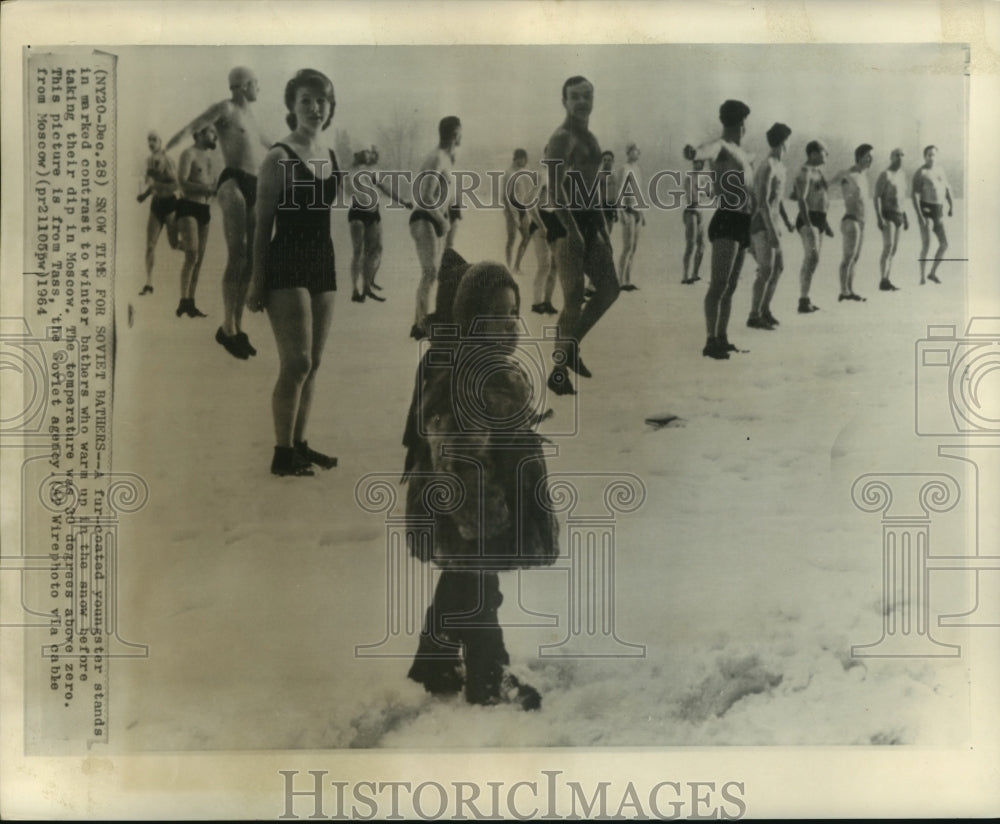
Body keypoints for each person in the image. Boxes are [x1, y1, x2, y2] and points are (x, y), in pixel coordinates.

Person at [402, 258, 558, 710]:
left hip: (476, 512)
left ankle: (432, 662)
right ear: (472, 322)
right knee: (479, 595)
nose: (510, 325)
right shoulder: (471, 379)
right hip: (471, 512)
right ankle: (488, 679)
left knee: (466, 584)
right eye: (496, 316)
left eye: (514, 313)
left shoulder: (485, 370)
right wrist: (483, 518)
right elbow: (457, 457)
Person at [246, 69, 340, 477]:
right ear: (292, 105)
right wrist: (255, 281)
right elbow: (261, 224)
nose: (315, 108)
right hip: (285, 261)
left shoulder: (330, 153)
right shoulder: (278, 157)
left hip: (323, 261)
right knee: (297, 363)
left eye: (321, 101)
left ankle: (299, 444)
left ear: (330, 106)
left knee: (314, 362)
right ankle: (282, 453)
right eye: (306, 100)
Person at [167, 66, 271, 359]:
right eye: (256, 83)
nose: (259, 89)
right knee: (237, 254)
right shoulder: (226, 107)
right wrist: (167, 149)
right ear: (242, 85)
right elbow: (192, 126)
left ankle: (235, 328)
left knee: (250, 258)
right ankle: (227, 326)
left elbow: (270, 143)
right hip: (233, 181)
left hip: (254, 183)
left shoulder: (251, 117)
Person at [539, 76, 619, 395]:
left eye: (587, 95)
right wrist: (572, 231)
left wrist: (601, 230)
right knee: (572, 298)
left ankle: (570, 345)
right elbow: (556, 190)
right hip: (564, 221)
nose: (582, 102)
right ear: (564, 101)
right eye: (575, 97)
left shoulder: (592, 139)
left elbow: (594, 189)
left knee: (610, 288)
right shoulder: (561, 138)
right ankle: (558, 372)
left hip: (587, 219)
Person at [684, 99, 755, 360]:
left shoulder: (741, 152)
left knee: (731, 285)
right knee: (719, 285)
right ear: (741, 123)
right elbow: (705, 150)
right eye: (746, 121)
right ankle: (710, 340)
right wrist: (693, 151)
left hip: (743, 220)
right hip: (727, 218)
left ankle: (722, 337)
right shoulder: (722, 146)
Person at [409, 116, 462, 340]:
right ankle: (420, 325)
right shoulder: (436, 158)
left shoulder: (448, 158)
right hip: (424, 218)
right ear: (456, 133)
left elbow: (446, 195)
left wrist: (452, 214)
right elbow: (425, 196)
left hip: (437, 220)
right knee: (429, 272)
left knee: (435, 273)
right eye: (461, 132)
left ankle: (423, 321)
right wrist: (441, 220)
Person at [345, 146, 413, 304]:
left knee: (371, 251)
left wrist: (402, 201)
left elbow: (386, 188)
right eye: (365, 153)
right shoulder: (353, 170)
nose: (368, 155)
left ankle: (365, 287)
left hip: (371, 213)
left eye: (368, 153)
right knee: (359, 252)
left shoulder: (366, 171)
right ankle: (357, 289)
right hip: (359, 213)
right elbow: (349, 188)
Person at [747, 123, 795, 330]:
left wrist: (785, 220)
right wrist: (772, 232)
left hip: (773, 224)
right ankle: (754, 315)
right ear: (782, 143)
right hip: (761, 224)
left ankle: (765, 310)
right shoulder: (767, 166)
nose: (789, 146)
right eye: (788, 142)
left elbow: (778, 200)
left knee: (778, 268)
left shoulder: (780, 167)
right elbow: (763, 202)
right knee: (766, 269)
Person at [173, 126, 219, 319]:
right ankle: (183, 301)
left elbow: (214, 185)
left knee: (198, 258)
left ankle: (190, 302)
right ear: (198, 134)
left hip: (204, 209)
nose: (214, 135)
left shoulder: (211, 158)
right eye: (210, 132)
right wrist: (207, 188)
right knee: (192, 252)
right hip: (188, 207)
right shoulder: (188, 153)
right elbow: (182, 182)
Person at [792, 140, 834, 313]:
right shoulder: (805, 172)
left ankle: (805, 298)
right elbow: (801, 199)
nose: (827, 155)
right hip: (809, 219)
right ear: (814, 153)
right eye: (825, 151)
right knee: (812, 257)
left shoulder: (818, 172)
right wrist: (808, 222)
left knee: (814, 260)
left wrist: (826, 223)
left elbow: (821, 198)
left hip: (820, 219)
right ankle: (803, 300)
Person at [136, 131, 179, 295]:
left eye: (154, 139)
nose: (151, 142)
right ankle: (149, 283)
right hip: (156, 204)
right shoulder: (149, 160)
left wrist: (158, 176)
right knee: (149, 245)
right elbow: (152, 185)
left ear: (161, 142)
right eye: (149, 140)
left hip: (170, 204)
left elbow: (175, 183)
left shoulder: (168, 160)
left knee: (174, 244)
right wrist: (144, 195)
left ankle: (192, 250)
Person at [833, 144, 874, 302]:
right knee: (848, 258)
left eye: (871, 156)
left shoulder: (864, 175)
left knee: (855, 258)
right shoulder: (848, 173)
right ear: (859, 156)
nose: (870, 159)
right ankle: (844, 291)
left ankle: (849, 290)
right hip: (851, 219)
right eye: (867, 155)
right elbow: (827, 184)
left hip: (862, 221)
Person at [912, 144, 954, 285]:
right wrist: (919, 215)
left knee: (944, 244)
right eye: (928, 155)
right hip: (926, 210)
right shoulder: (921, 172)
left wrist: (951, 206)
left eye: (933, 154)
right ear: (925, 157)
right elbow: (915, 195)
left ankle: (932, 273)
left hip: (938, 210)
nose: (931, 157)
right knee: (927, 245)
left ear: (937, 156)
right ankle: (922, 277)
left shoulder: (941, 170)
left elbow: (947, 188)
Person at [874, 148, 909, 292]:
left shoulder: (902, 175)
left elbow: (902, 197)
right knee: (888, 247)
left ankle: (887, 279)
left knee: (894, 249)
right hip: (887, 214)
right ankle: (883, 280)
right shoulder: (885, 175)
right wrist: (879, 217)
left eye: (902, 155)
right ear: (891, 157)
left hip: (899, 214)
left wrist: (905, 216)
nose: (900, 158)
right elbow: (876, 197)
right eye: (896, 155)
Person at [615, 142, 646, 291]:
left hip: (637, 211)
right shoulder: (624, 169)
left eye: (638, 151)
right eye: (634, 151)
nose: (637, 153)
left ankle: (628, 280)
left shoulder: (638, 169)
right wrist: (620, 212)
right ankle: (621, 281)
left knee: (634, 248)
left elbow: (638, 193)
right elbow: (620, 191)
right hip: (627, 210)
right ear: (629, 152)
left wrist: (642, 213)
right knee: (627, 247)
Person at [681, 156, 706, 284]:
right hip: (691, 212)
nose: (699, 165)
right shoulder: (690, 177)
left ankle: (695, 273)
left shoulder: (702, 178)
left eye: (701, 162)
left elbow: (709, 193)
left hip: (699, 211)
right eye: (697, 162)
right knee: (691, 244)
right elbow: (691, 197)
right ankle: (685, 275)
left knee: (702, 245)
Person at [502, 148, 530, 268]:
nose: (526, 162)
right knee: (511, 239)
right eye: (524, 159)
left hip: (521, 207)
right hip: (511, 208)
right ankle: (508, 267)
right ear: (518, 159)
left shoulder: (522, 171)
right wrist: (514, 216)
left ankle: (516, 266)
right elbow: (506, 197)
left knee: (527, 236)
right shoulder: (509, 173)